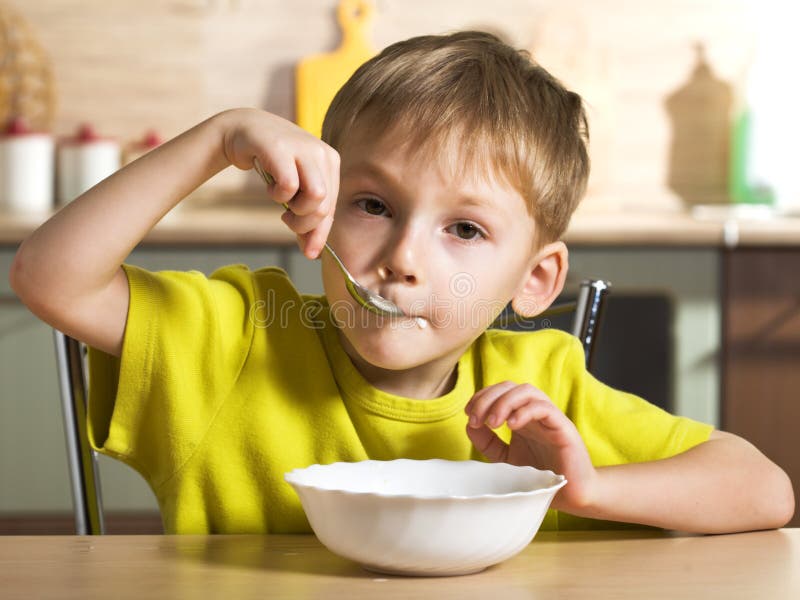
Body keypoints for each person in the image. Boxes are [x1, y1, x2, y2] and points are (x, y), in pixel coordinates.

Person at [10, 31, 793, 534]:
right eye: (374, 205)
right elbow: (51, 280)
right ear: (317, 206)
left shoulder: (543, 384)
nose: (403, 257)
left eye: (465, 228)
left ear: (535, 279)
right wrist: (217, 139)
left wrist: (586, 490)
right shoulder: (239, 336)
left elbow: (765, 492)